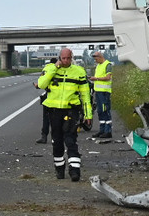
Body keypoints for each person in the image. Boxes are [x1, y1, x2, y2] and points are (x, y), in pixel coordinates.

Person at [37, 48, 92, 181]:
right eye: (63, 58)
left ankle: (74, 171)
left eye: (68, 58)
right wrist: (54, 68)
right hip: (54, 111)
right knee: (57, 142)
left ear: (71, 57)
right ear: (59, 58)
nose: (66, 61)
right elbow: (41, 84)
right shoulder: (50, 68)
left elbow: (85, 95)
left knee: (71, 140)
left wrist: (88, 114)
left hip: (71, 110)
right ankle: (59, 169)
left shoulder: (79, 72)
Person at [91, 49, 114, 139]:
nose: (95, 61)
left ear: (100, 57)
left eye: (96, 59)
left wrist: (95, 79)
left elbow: (108, 77)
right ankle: (102, 130)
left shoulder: (107, 65)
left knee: (105, 110)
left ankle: (108, 131)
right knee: (100, 111)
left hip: (105, 92)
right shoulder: (98, 66)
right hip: (98, 92)